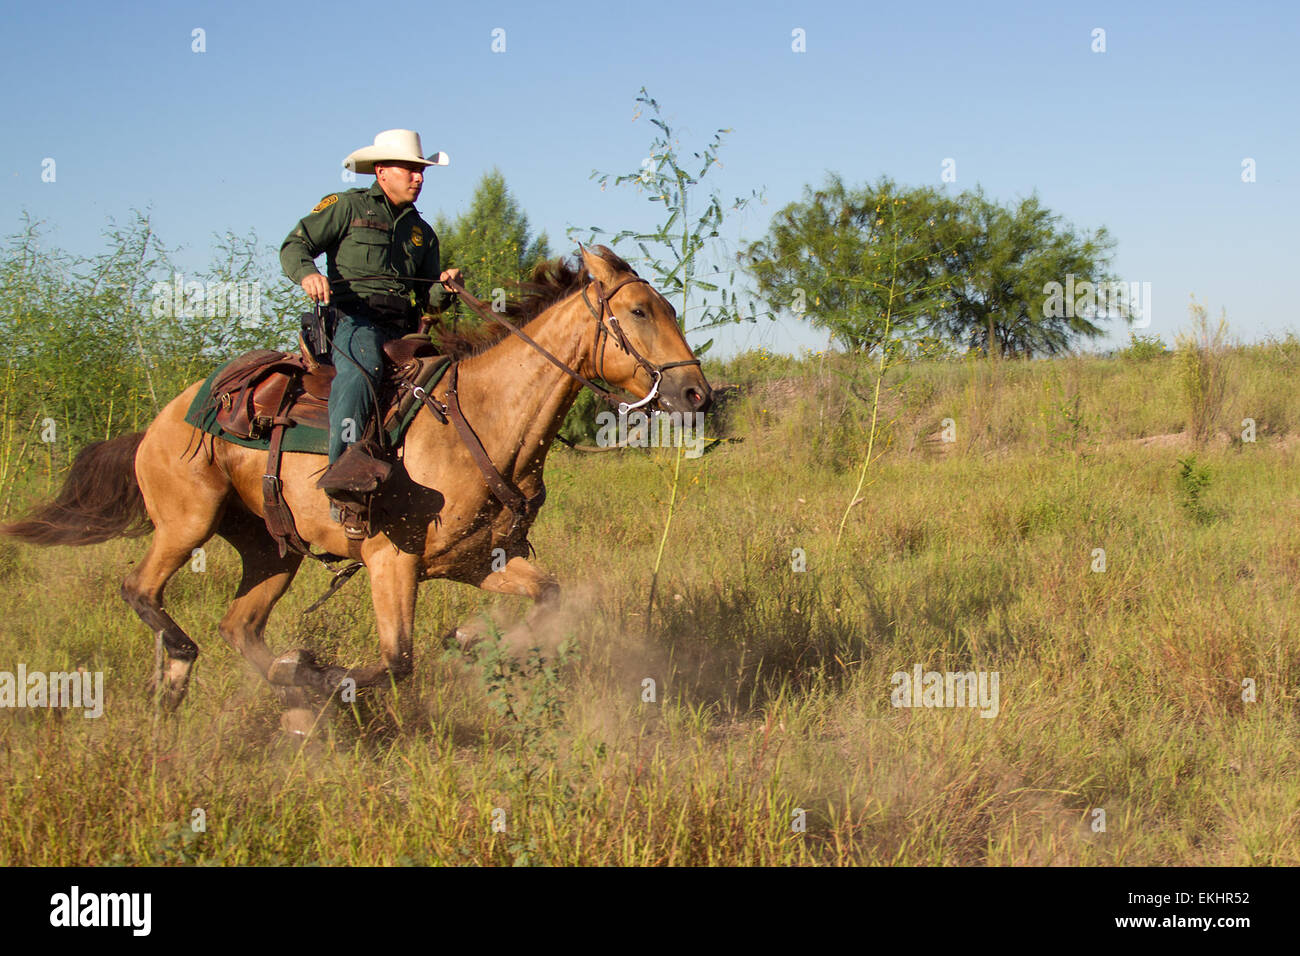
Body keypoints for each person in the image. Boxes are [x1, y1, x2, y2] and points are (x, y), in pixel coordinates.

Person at [280, 129, 463, 535]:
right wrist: (308, 274)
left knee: (453, 379)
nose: (418, 177)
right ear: (381, 172)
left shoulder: (422, 232)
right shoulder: (346, 206)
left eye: (422, 171)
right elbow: (294, 245)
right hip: (352, 321)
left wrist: (445, 287)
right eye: (410, 169)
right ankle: (344, 482)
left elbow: (429, 297)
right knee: (361, 373)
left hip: (404, 330)